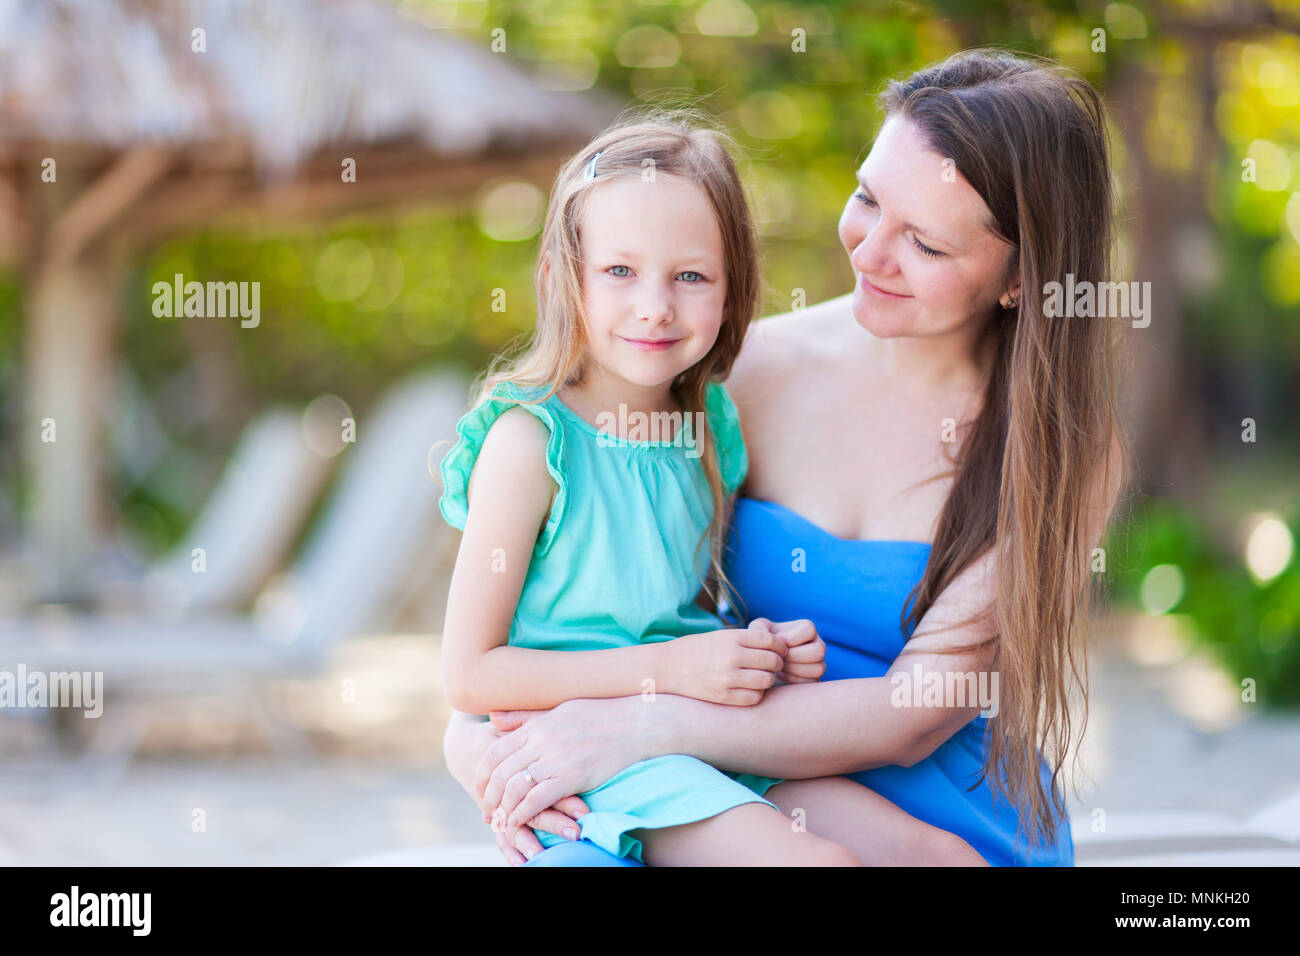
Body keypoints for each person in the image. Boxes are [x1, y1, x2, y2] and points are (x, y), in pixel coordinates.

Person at [445, 49, 1126, 867]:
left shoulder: (1060, 446)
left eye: (926, 245)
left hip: (933, 815)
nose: (869, 252)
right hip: (720, 783)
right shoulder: (741, 373)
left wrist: (639, 724)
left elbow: (914, 715)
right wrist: (488, 753)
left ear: (1022, 276)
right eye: (868, 198)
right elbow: (587, 611)